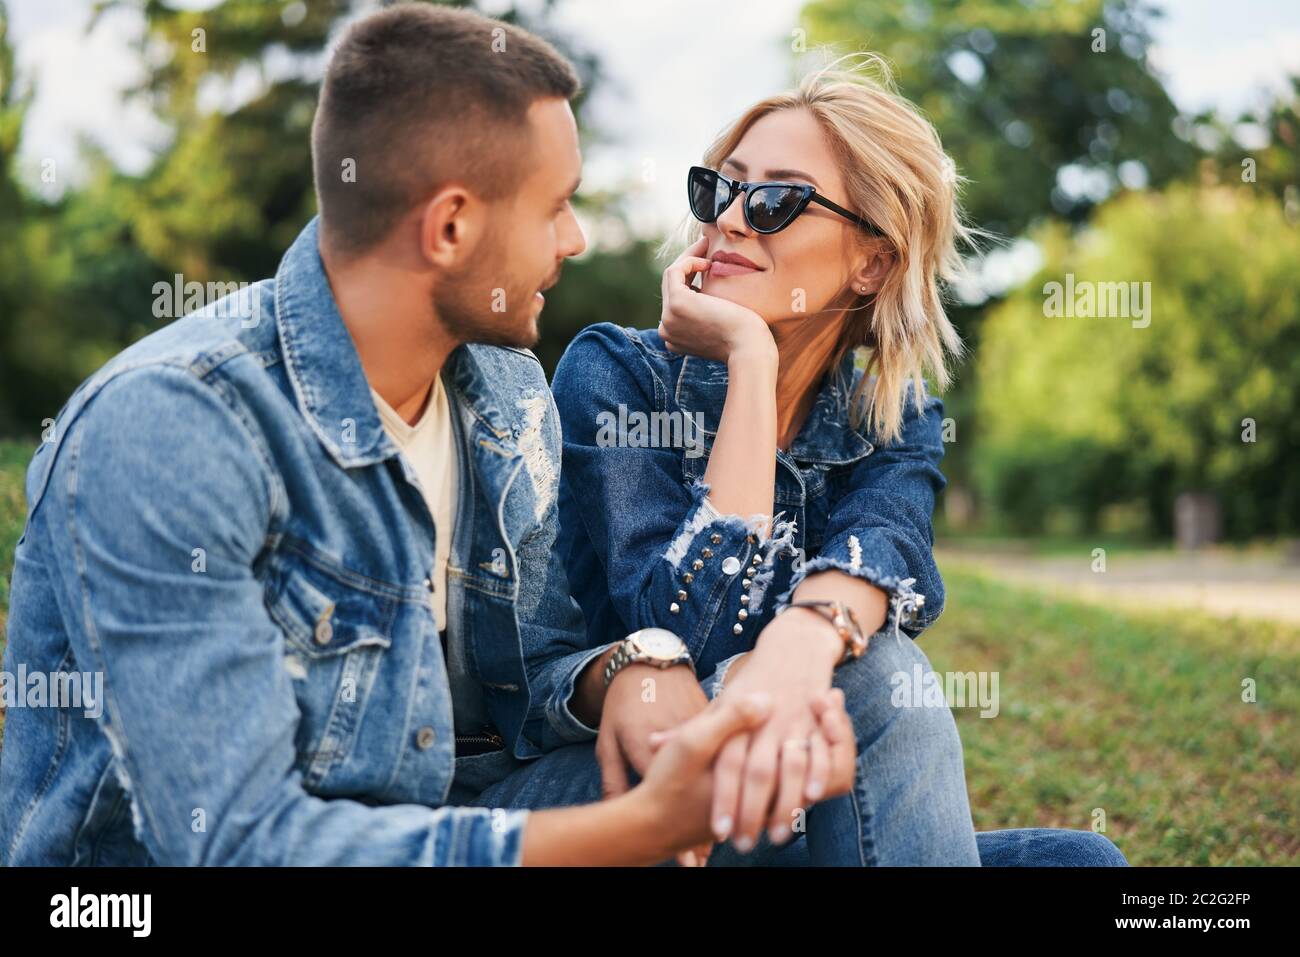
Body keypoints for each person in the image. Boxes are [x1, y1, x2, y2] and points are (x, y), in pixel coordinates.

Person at [0, 3, 859, 867]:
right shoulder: (172, 431)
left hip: (449, 812)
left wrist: (631, 666)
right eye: (556, 206)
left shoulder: (504, 392)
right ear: (450, 227)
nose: (576, 238)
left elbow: (533, 668)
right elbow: (241, 841)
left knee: (848, 731)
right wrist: (641, 829)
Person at [475, 55, 1128, 867]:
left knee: (1082, 861)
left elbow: (887, 551)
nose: (734, 220)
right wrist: (748, 361)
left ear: (873, 262)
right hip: (609, 787)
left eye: (777, 199)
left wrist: (799, 646)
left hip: (773, 790)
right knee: (876, 676)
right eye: (722, 188)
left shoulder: (892, 414)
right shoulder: (617, 375)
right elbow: (687, 629)